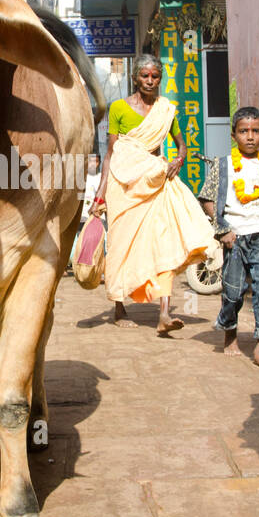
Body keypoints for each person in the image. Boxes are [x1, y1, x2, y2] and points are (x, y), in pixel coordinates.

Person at [93, 55, 215, 336]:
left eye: (155, 77)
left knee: (164, 241)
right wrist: (100, 194)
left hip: (158, 180)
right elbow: (110, 153)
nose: (150, 81)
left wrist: (179, 160)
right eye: (145, 76)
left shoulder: (167, 110)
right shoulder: (119, 109)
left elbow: (180, 145)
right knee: (122, 244)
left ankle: (164, 313)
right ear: (136, 78)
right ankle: (119, 305)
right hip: (124, 185)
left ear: (160, 78)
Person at [199, 107, 259, 370]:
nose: (249, 137)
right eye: (243, 131)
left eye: (255, 131)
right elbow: (206, 198)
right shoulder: (223, 165)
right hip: (235, 236)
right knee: (234, 291)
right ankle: (230, 333)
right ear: (234, 134)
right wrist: (223, 229)